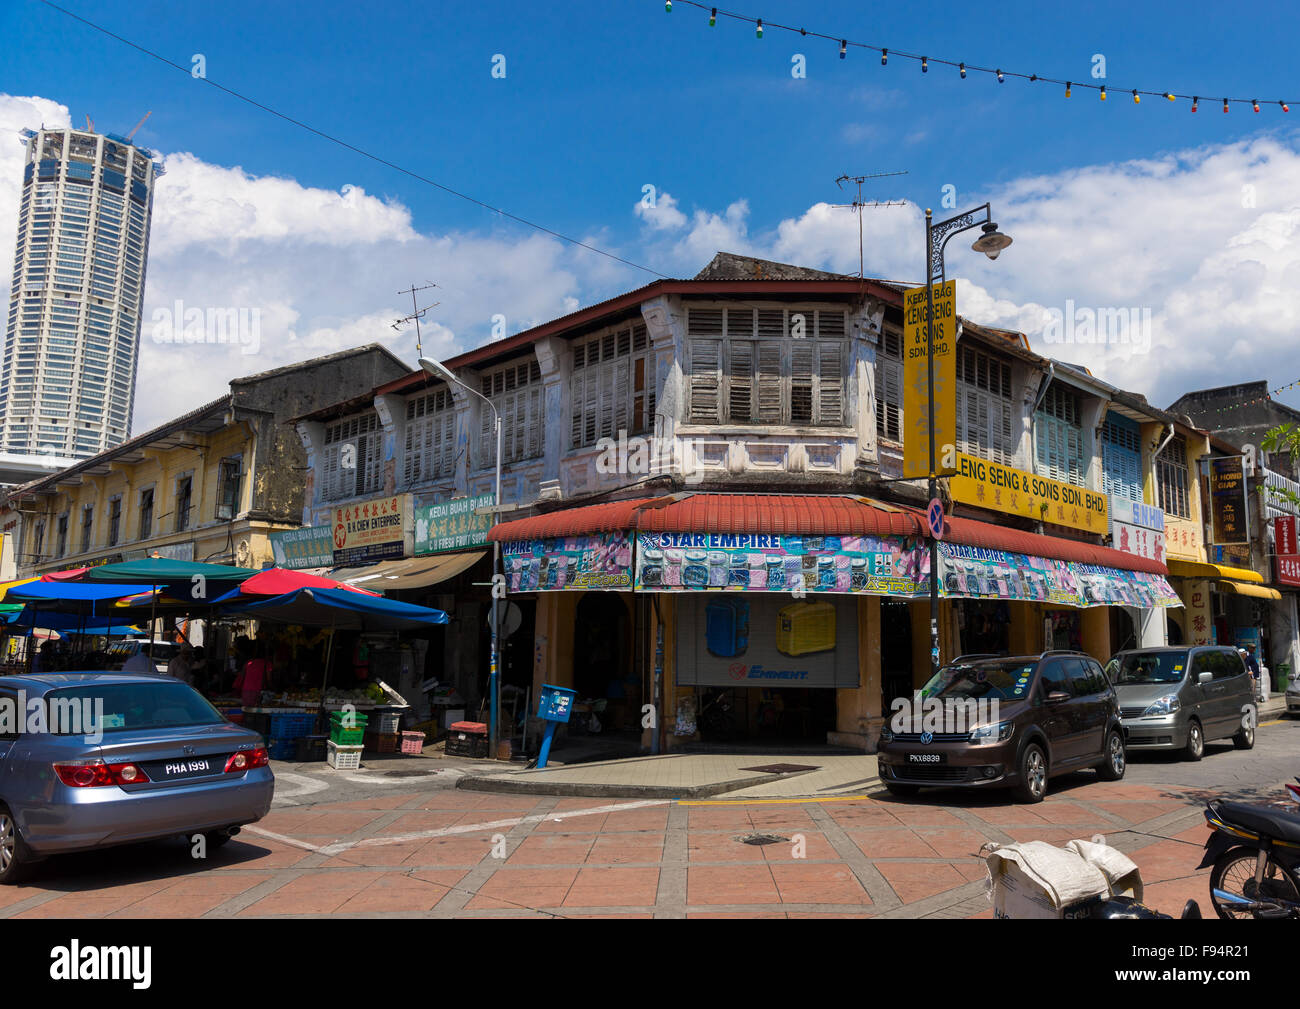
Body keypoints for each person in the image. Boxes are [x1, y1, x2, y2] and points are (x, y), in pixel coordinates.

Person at [233, 642, 272, 710]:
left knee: (247, 711)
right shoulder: (267, 663)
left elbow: (242, 676)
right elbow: (268, 679)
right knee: (258, 711)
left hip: (246, 690)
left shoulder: (249, 663)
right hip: (259, 691)